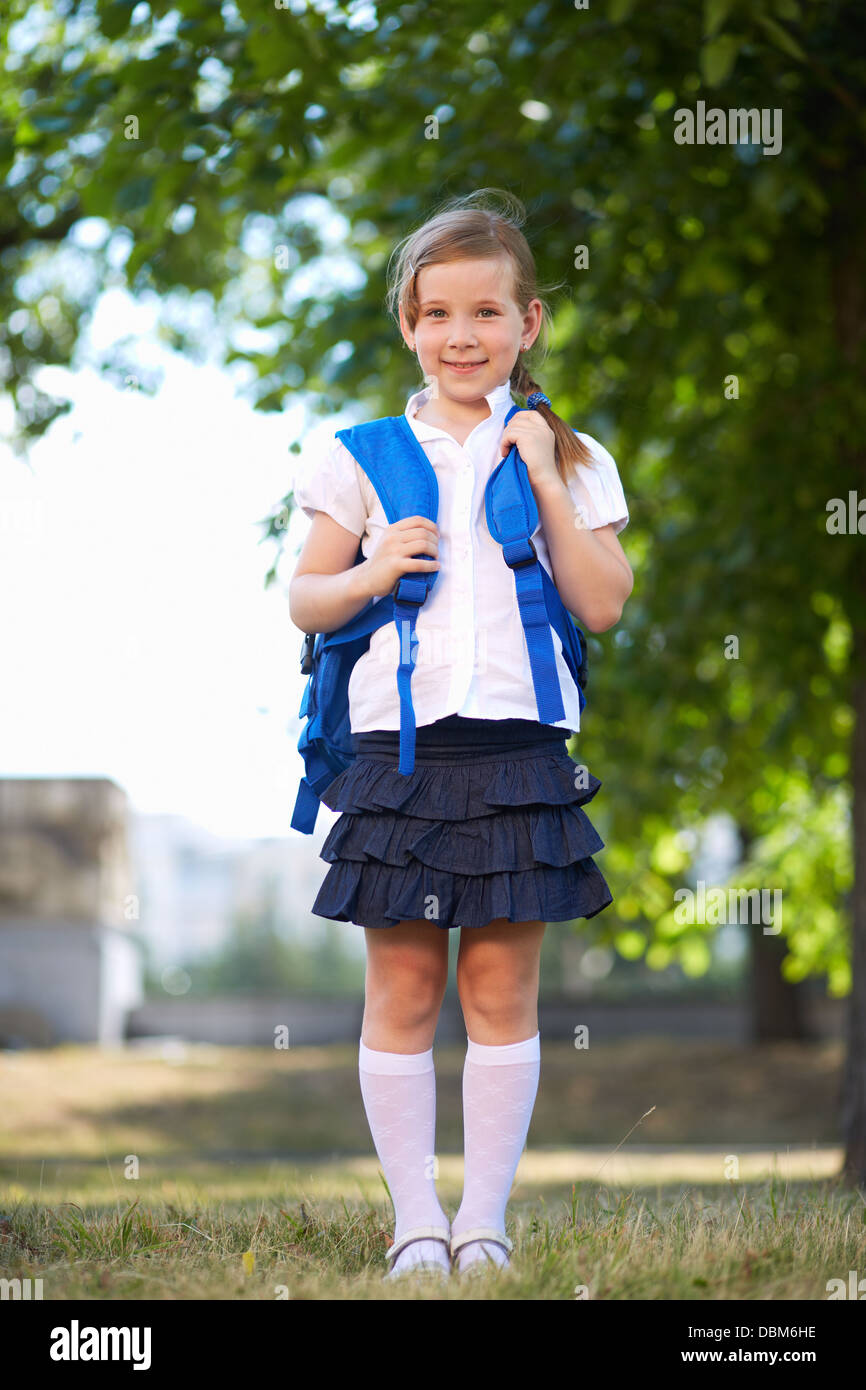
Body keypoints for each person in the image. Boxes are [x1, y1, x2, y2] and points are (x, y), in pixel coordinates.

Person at [289, 188, 633, 1284]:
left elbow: (604, 602)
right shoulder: (357, 453)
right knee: (400, 993)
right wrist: (372, 570)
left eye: (485, 313)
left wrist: (537, 471)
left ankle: (482, 1223)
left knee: (498, 995)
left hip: (519, 755)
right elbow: (303, 599)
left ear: (526, 324)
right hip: (399, 760)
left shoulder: (570, 457)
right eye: (436, 314)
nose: (460, 336)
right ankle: (413, 1224)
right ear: (407, 325)